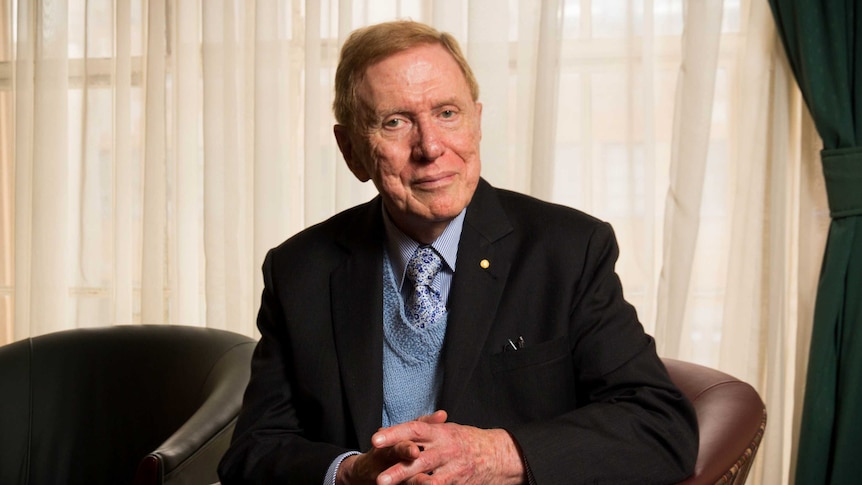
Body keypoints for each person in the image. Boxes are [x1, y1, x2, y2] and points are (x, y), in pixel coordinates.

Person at [218, 20, 698, 485]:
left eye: (447, 113)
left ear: (477, 122)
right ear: (351, 151)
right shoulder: (300, 269)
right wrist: (349, 473)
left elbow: (661, 427)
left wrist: (495, 456)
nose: (430, 146)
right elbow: (253, 450)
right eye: (395, 122)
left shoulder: (568, 250)